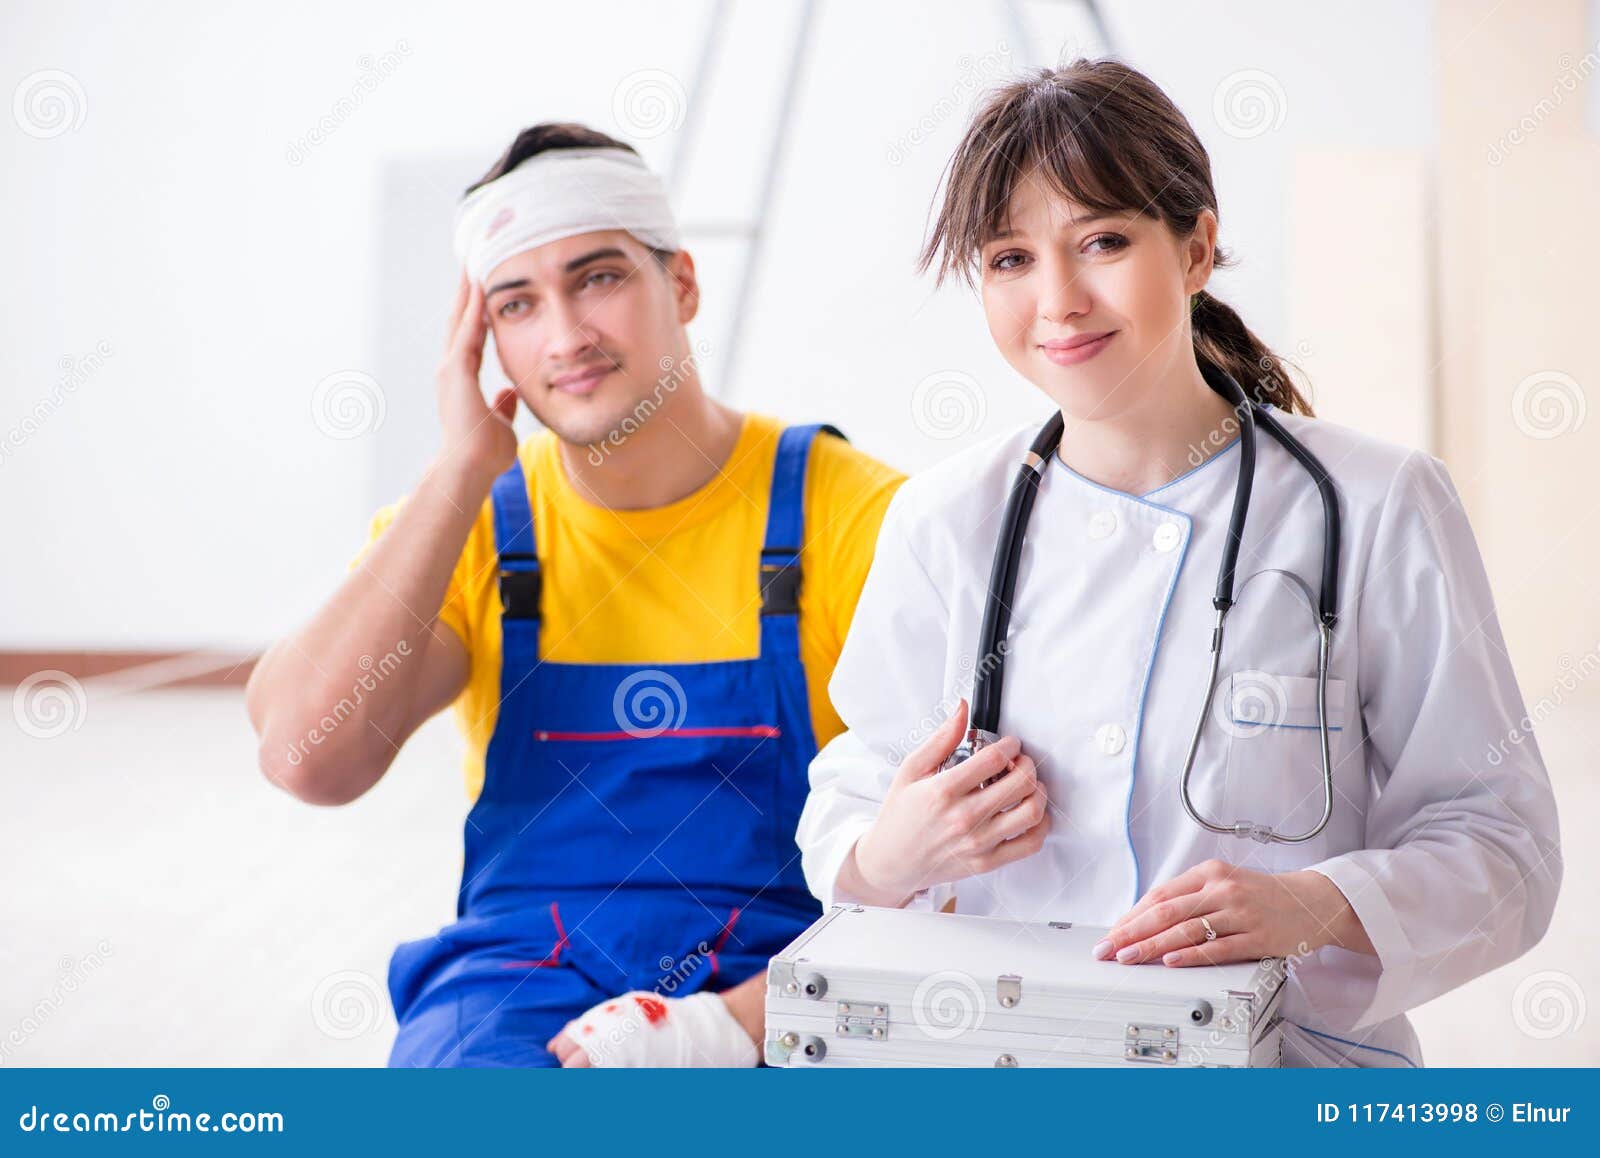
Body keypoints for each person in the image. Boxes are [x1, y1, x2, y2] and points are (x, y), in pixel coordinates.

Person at [795, 60, 1562, 1067]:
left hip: (1283, 1071)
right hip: (999, 1062)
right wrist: (883, 853)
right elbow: (859, 775)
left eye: (1102, 242)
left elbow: (1504, 842)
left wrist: (1315, 902)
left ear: (1195, 248)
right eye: (1010, 259)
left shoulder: (1376, 506)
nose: (1058, 301)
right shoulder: (942, 521)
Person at [245, 123, 902, 1067]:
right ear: (486, 342)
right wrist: (461, 467)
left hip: (790, 974)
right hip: (522, 974)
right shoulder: (473, 523)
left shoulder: (853, 513)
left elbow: (960, 851)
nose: (566, 335)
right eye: (517, 304)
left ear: (680, 283)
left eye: (598, 278)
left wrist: (715, 1032)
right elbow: (308, 756)